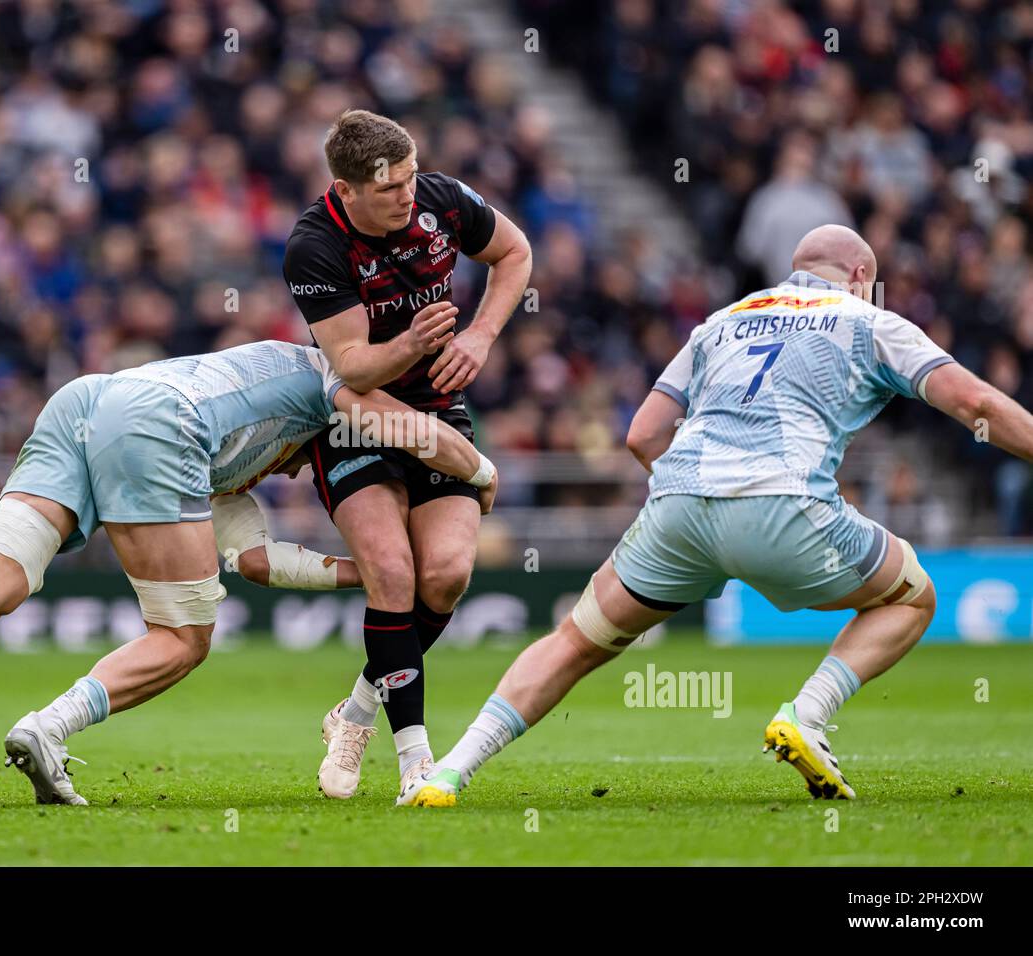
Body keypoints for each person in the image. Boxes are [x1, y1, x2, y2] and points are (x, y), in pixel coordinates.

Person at [399, 223, 1033, 807]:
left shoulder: (722, 322)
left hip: (677, 508)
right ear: (862, 275)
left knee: (574, 642)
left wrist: (702, 507)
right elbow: (973, 401)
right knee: (911, 596)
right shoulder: (868, 320)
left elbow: (643, 434)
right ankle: (806, 716)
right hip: (785, 506)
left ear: (794, 271)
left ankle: (449, 771)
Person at [0, 339, 497, 807]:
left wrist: (377, 577)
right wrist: (480, 470)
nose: (294, 471)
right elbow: (408, 426)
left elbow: (259, 561)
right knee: (182, 638)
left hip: (90, 402)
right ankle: (48, 728)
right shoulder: (330, 379)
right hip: (159, 421)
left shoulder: (236, 454)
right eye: (301, 464)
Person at [283, 109, 531, 799]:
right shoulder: (314, 245)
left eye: (411, 179)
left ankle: (355, 708)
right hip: (356, 420)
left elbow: (515, 254)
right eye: (390, 188)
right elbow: (356, 368)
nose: (407, 197)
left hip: (435, 411)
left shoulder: (441, 200)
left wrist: (479, 335)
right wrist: (415, 343)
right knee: (391, 572)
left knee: (446, 576)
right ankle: (414, 758)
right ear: (348, 189)